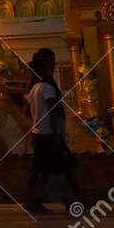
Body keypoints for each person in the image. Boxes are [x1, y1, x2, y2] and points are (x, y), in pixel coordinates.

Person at [25, 48, 81, 214]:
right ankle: (75, 200)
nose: (53, 66)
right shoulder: (48, 87)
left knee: (41, 171)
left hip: (39, 134)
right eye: (51, 63)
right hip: (50, 135)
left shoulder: (34, 87)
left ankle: (34, 200)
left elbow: (29, 112)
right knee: (65, 168)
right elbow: (51, 110)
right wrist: (57, 133)